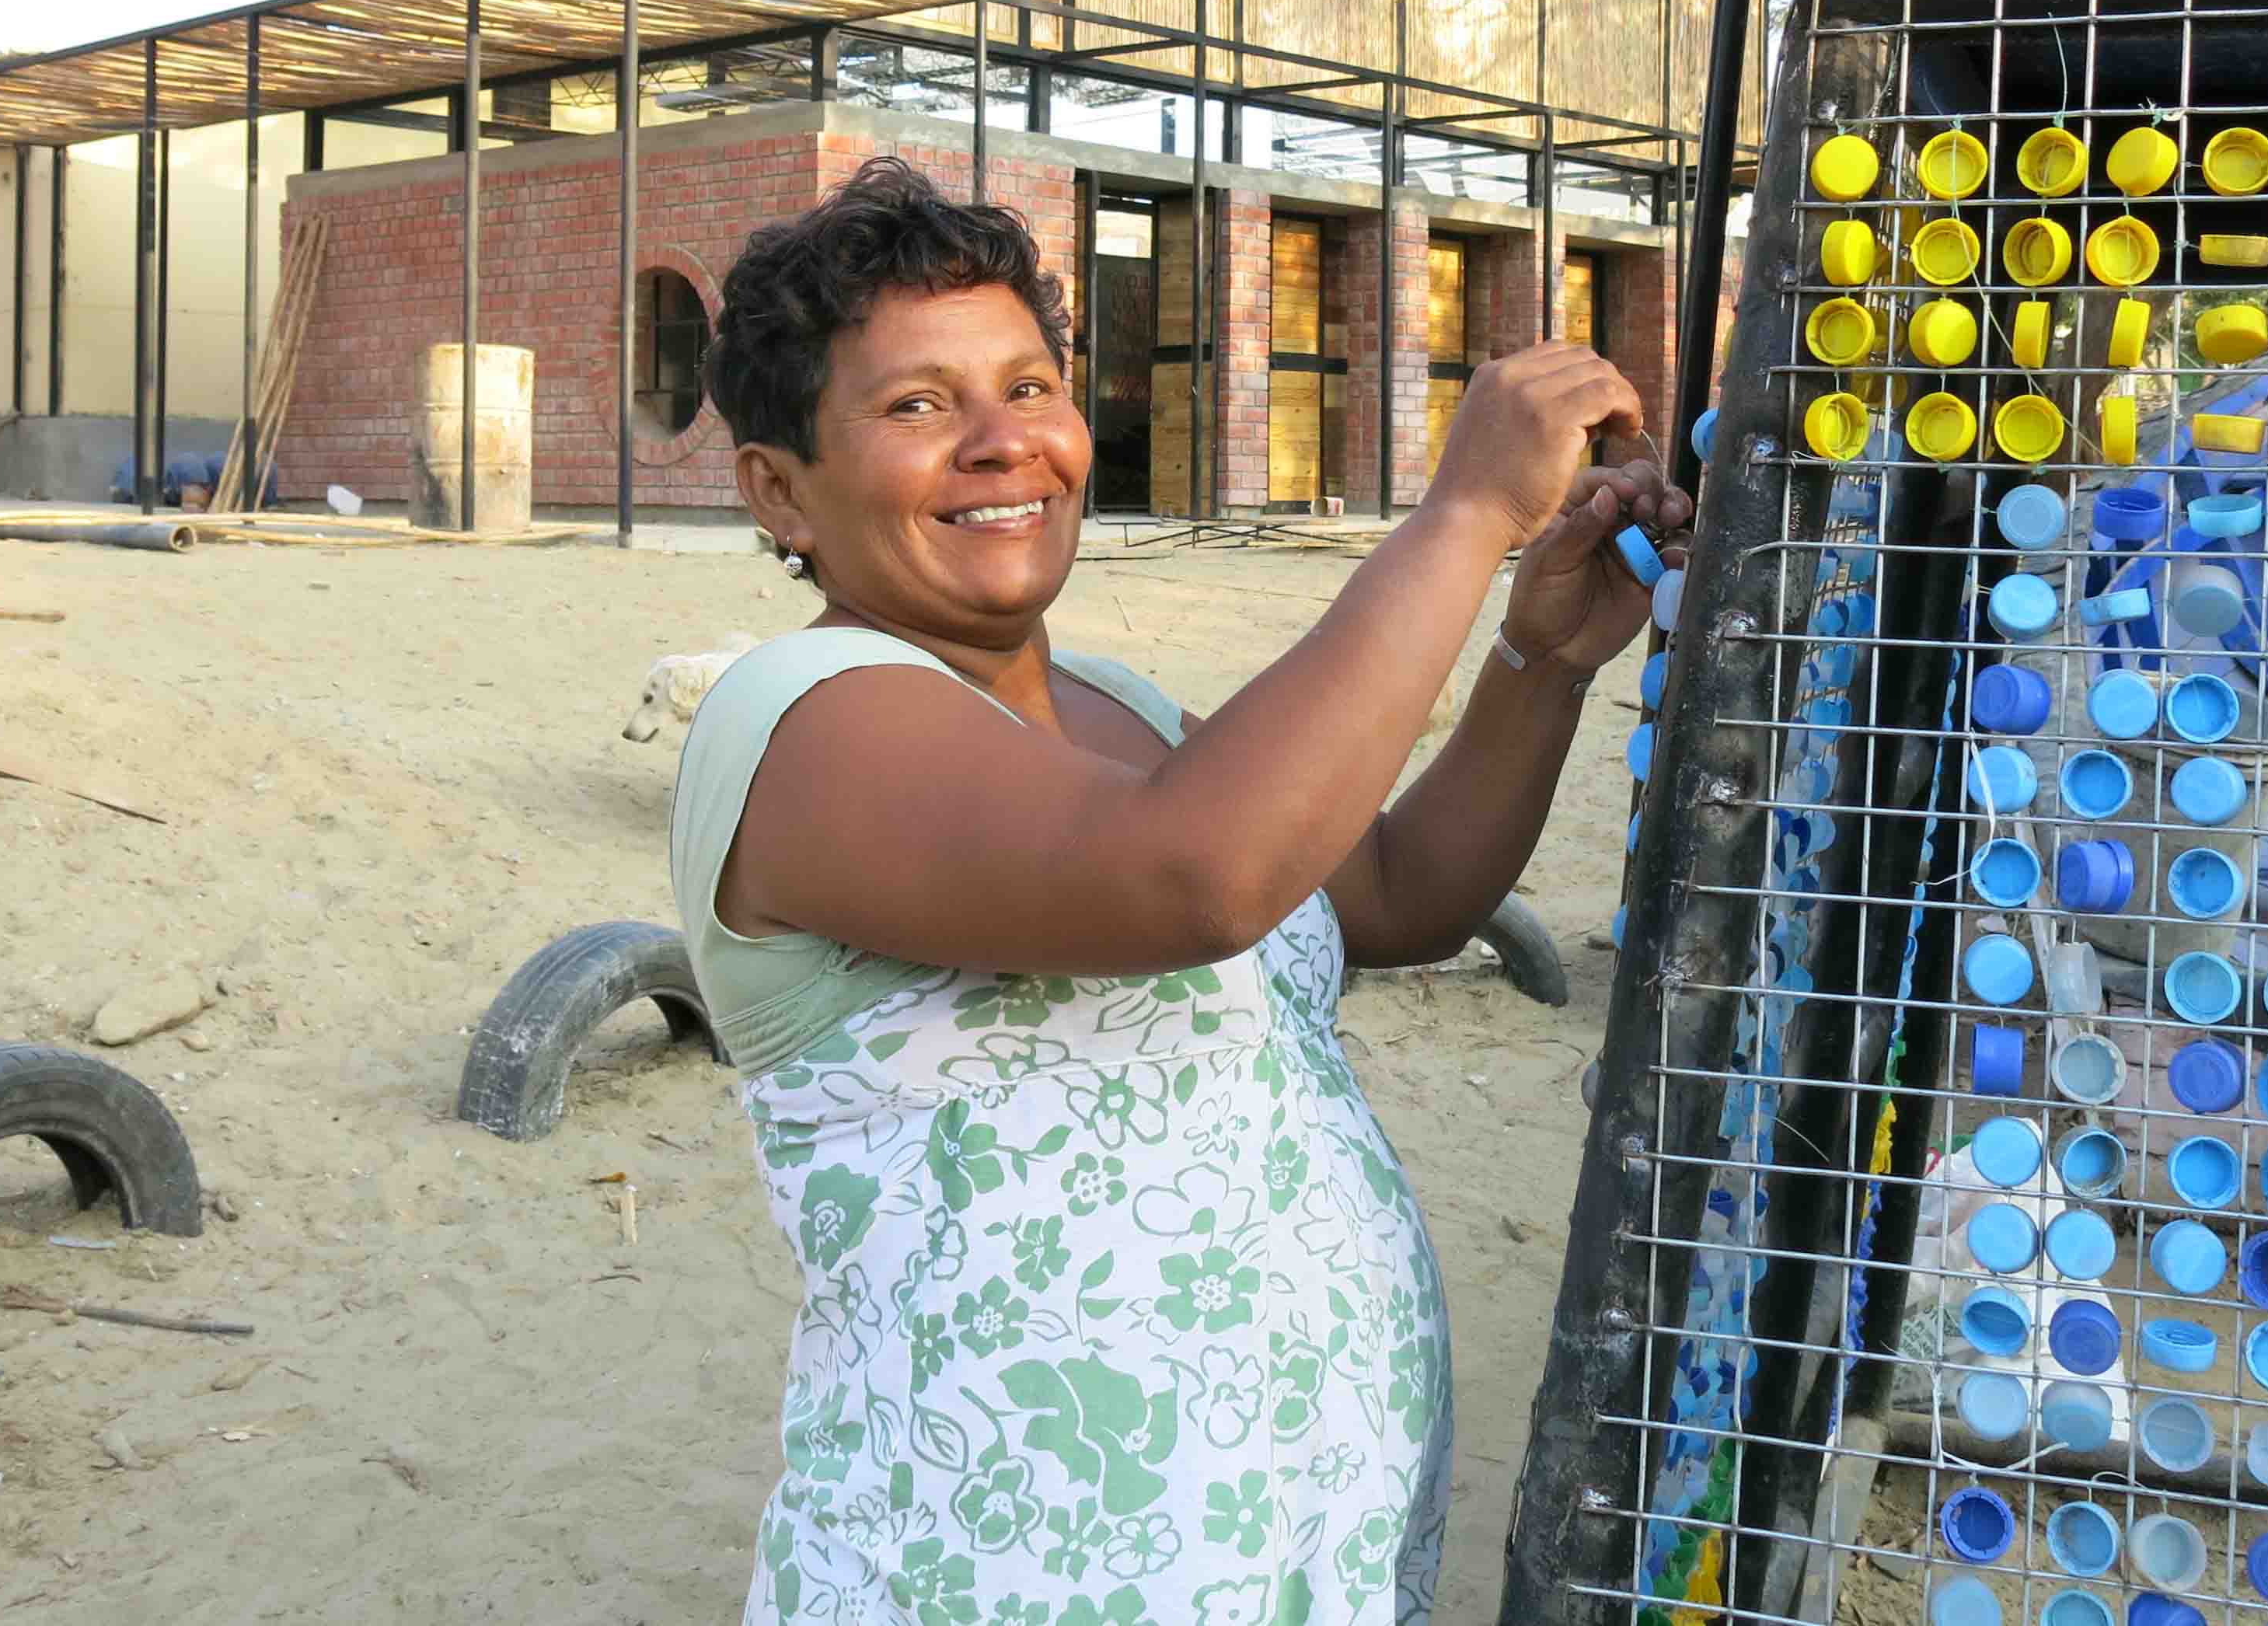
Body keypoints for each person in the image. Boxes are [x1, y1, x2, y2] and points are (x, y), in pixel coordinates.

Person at [673, 157, 1686, 1623]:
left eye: (1027, 387)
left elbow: (1395, 895)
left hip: (1292, 1554)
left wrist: (1535, 659)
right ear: (779, 490)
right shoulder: (802, 718)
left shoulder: (1119, 707)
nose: (998, 444)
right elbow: (1197, 878)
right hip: (1007, 1578)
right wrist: (1462, 516)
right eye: (916, 406)